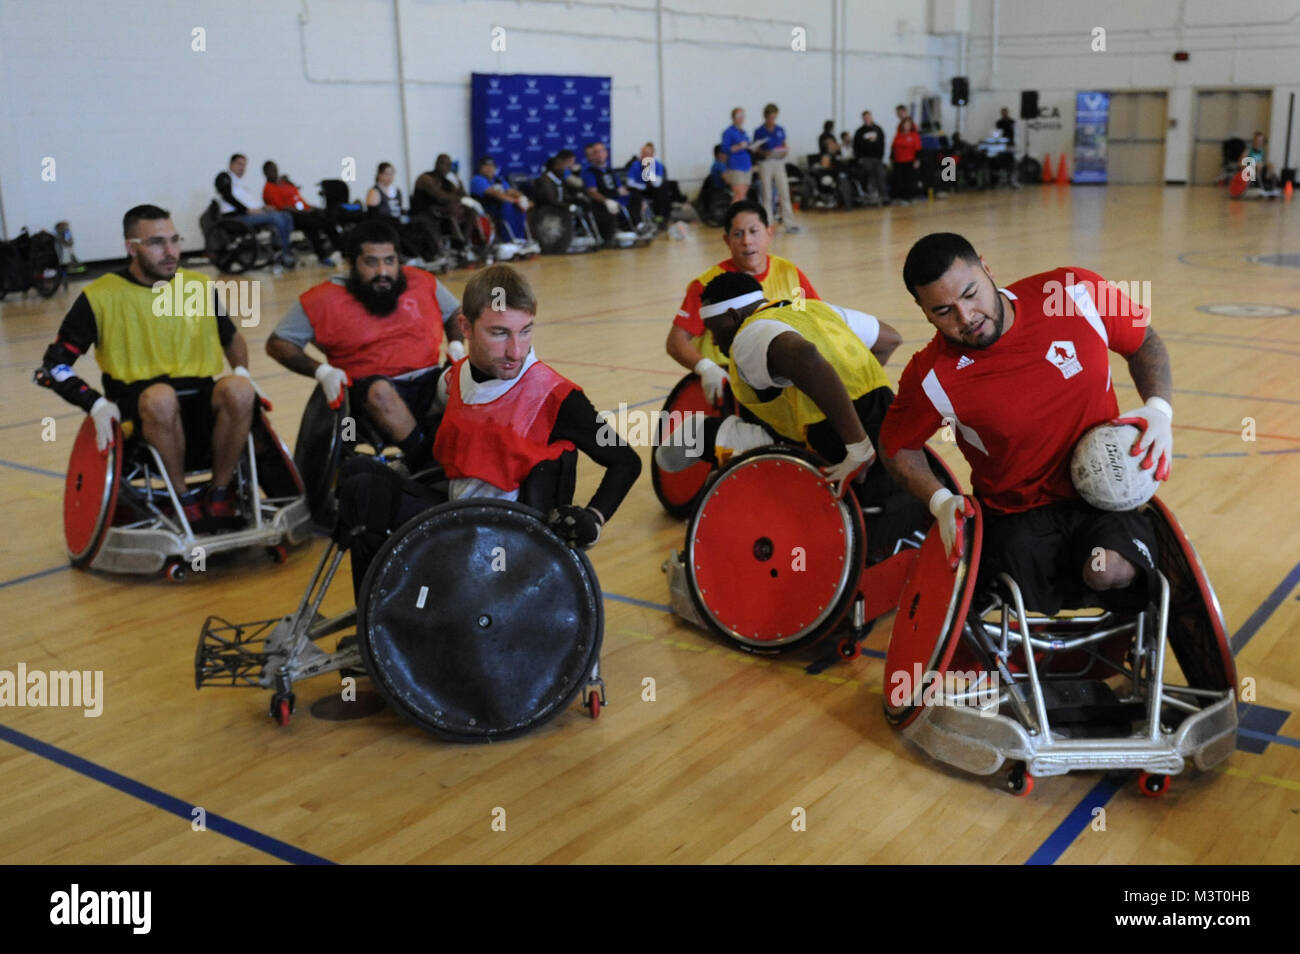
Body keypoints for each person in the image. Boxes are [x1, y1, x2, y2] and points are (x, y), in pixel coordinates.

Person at [878, 232, 1174, 616]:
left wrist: (1158, 410)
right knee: (1011, 595)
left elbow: (1143, 341)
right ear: (923, 310)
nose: (966, 318)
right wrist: (940, 501)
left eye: (970, 294)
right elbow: (896, 445)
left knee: (1106, 570)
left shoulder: (1073, 292)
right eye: (943, 311)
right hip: (1016, 517)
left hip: (1106, 499)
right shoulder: (931, 375)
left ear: (986, 267)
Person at [335, 263, 642, 594]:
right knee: (358, 471)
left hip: (502, 541)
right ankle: (381, 614)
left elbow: (626, 461)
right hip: (456, 514)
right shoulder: (456, 377)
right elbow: (442, 427)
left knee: (365, 494)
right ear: (465, 327)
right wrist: (403, 465)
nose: (515, 351)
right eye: (499, 333)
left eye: (525, 331)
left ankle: (377, 627)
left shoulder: (555, 397)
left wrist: (593, 520)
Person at [34, 204, 261, 525]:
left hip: (199, 402)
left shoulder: (196, 286)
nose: (170, 252)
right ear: (131, 248)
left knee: (239, 390)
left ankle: (219, 492)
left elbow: (231, 338)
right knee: (161, 397)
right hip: (139, 409)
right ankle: (182, 498)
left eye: (174, 240)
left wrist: (241, 372)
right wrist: (94, 403)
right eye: (157, 243)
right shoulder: (100, 296)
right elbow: (54, 367)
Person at [657, 272, 912, 550]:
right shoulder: (816, 309)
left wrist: (857, 445)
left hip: (831, 444)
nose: (715, 343)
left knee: (674, 452)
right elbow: (890, 339)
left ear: (732, 315)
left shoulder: (749, 334)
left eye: (713, 329)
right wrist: (844, 387)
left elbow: (806, 358)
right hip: (890, 425)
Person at [265, 219, 463, 468]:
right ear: (351, 264)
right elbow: (278, 343)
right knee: (380, 391)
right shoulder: (322, 299)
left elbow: (456, 313)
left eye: (389, 261)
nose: (383, 271)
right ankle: (425, 464)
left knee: (467, 378)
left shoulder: (422, 281)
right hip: (370, 392)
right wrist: (322, 372)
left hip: (428, 380)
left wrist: (456, 345)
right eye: (371, 262)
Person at [665, 200, 823, 403]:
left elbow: (810, 319)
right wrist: (706, 368)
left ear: (769, 233)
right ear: (726, 240)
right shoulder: (707, 286)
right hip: (728, 385)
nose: (747, 241)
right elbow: (675, 342)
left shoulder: (791, 274)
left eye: (753, 231)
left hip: (780, 382)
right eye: (738, 234)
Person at [214, 153, 295, 271]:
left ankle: (286, 249)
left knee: (286, 216)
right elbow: (228, 197)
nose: (242, 168)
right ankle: (280, 251)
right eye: (239, 164)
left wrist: (263, 208)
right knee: (276, 218)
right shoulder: (224, 177)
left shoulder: (241, 184)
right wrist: (247, 210)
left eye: (244, 165)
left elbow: (251, 202)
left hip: (249, 213)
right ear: (231, 164)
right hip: (236, 217)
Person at [261, 160, 338, 267]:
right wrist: (304, 211)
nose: (274, 172)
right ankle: (323, 257)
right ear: (265, 173)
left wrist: (310, 207)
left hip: (304, 211)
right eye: (271, 170)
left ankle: (341, 249)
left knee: (326, 218)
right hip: (291, 217)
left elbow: (299, 200)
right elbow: (282, 208)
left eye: (275, 170)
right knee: (311, 224)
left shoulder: (285, 184)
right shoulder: (268, 189)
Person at [752, 104, 801, 233]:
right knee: (767, 194)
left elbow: (784, 145)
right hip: (765, 163)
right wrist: (763, 152)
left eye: (774, 117)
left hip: (779, 162)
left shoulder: (780, 129)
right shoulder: (759, 131)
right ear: (765, 117)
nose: (772, 120)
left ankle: (789, 223)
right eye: (769, 117)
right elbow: (756, 148)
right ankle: (767, 223)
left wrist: (784, 151)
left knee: (784, 192)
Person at [582, 142, 640, 241]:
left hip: (616, 197)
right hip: (603, 200)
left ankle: (639, 225)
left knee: (636, 196)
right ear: (593, 155)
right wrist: (606, 201)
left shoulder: (610, 171)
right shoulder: (590, 172)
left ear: (606, 153)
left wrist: (637, 199)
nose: (600, 154)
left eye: (602, 151)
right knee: (609, 208)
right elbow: (592, 192)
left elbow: (621, 190)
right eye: (596, 152)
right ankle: (618, 230)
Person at [470, 156, 532, 240]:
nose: (489, 169)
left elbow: (511, 191)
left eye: (491, 166)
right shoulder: (477, 179)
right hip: (486, 209)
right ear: (480, 168)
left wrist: (522, 198)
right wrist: (516, 201)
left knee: (520, 207)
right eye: (486, 166)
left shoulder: (498, 179)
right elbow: (495, 193)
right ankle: (508, 239)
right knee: (508, 205)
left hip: (501, 207)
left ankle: (519, 238)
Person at [623, 142, 675, 227]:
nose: (644, 155)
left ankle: (660, 217)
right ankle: (639, 223)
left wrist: (648, 169)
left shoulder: (658, 165)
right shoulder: (635, 165)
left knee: (664, 188)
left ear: (652, 154)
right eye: (642, 153)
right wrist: (641, 186)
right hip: (638, 189)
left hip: (653, 190)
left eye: (646, 154)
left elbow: (657, 184)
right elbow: (629, 182)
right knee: (634, 194)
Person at [852, 109, 890, 202]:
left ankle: (884, 196)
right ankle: (870, 195)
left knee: (880, 176)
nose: (867, 119)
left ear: (871, 117)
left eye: (868, 117)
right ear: (863, 119)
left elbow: (882, 143)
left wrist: (881, 156)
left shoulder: (878, 129)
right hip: (865, 158)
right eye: (865, 118)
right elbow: (855, 146)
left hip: (877, 158)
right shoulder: (859, 131)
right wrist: (859, 158)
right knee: (869, 176)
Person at [721, 108, 755, 202]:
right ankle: (733, 215)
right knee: (738, 195)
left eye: (742, 116)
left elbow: (747, 145)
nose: (741, 118)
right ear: (733, 118)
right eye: (738, 116)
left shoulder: (743, 132)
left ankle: (741, 215)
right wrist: (739, 146)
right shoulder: (728, 132)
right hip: (736, 166)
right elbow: (725, 149)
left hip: (746, 165)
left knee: (743, 195)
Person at [891, 117, 922, 203]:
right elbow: (893, 147)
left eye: (908, 124)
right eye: (905, 124)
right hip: (899, 161)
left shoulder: (914, 136)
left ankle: (910, 197)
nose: (906, 126)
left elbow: (918, 149)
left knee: (910, 180)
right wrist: (892, 159)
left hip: (910, 160)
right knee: (899, 180)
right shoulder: (898, 135)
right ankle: (900, 197)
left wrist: (917, 160)